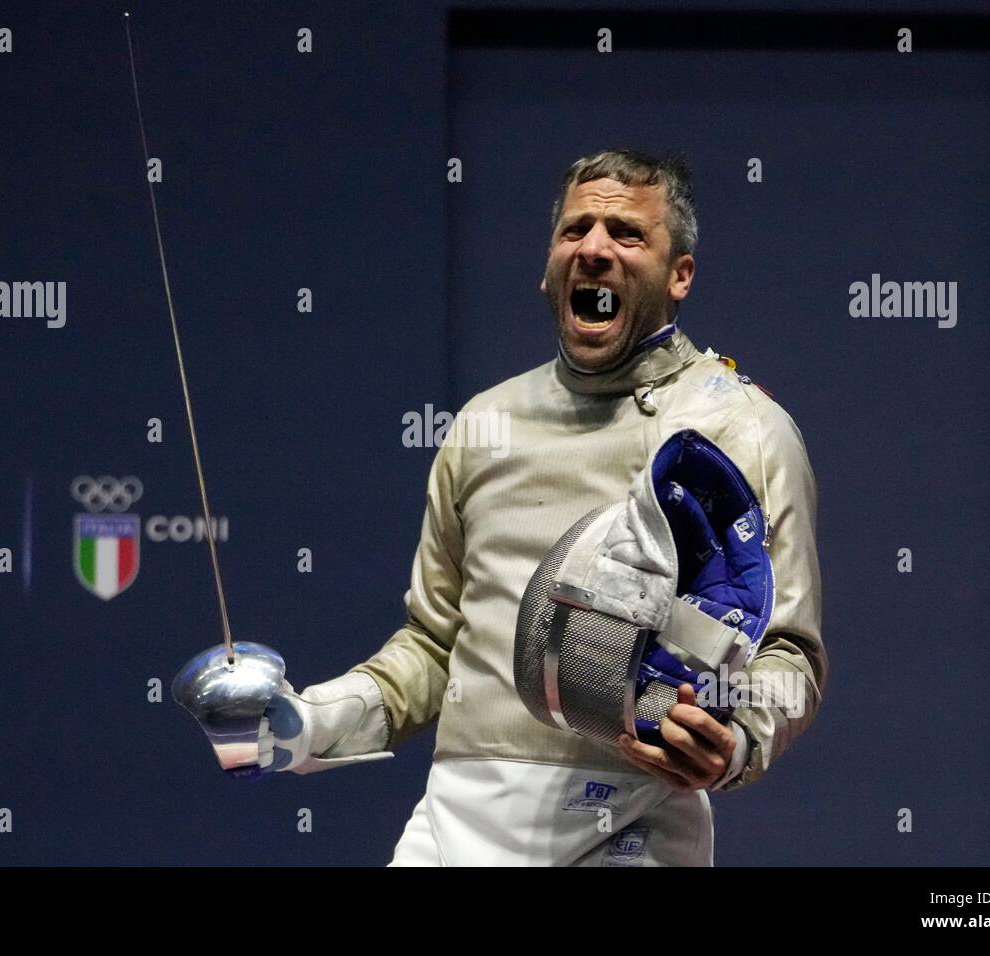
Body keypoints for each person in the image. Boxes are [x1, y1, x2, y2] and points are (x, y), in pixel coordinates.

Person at [258, 148, 828, 866]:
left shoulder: (737, 429)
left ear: (680, 274)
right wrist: (309, 722)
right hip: (456, 816)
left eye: (626, 234)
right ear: (548, 268)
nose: (593, 248)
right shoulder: (483, 425)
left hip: (630, 822)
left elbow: (789, 651)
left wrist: (739, 738)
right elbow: (436, 647)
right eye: (574, 230)